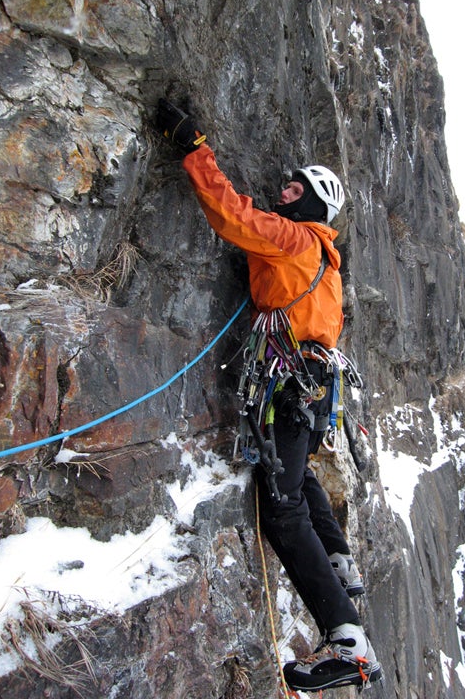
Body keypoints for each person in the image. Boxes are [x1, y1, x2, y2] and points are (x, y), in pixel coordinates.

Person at [156, 98, 381, 692]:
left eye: (292, 189)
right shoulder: (328, 266)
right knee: (297, 476)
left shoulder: (293, 238)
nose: (282, 193)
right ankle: (338, 562)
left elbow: (232, 217)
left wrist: (193, 149)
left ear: (310, 204)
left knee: (281, 511)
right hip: (309, 388)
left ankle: (348, 641)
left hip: (290, 386)